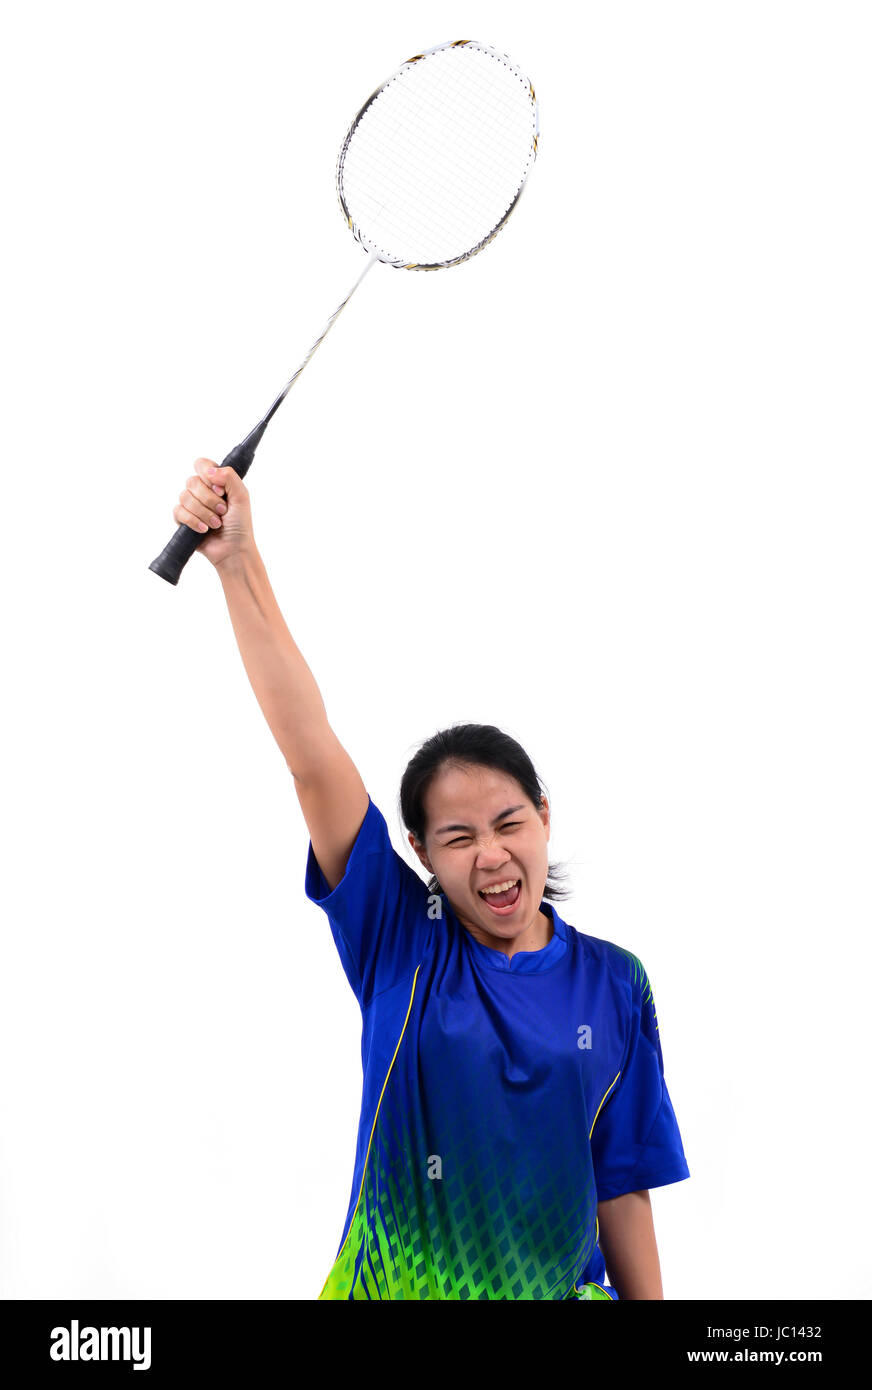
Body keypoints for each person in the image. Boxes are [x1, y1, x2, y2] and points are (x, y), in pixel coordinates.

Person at [171, 458, 691, 1300]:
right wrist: (238, 563)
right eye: (458, 837)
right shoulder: (398, 941)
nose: (490, 854)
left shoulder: (615, 983)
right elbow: (311, 753)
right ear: (418, 851)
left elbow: (621, 1184)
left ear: (544, 817)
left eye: (508, 823)